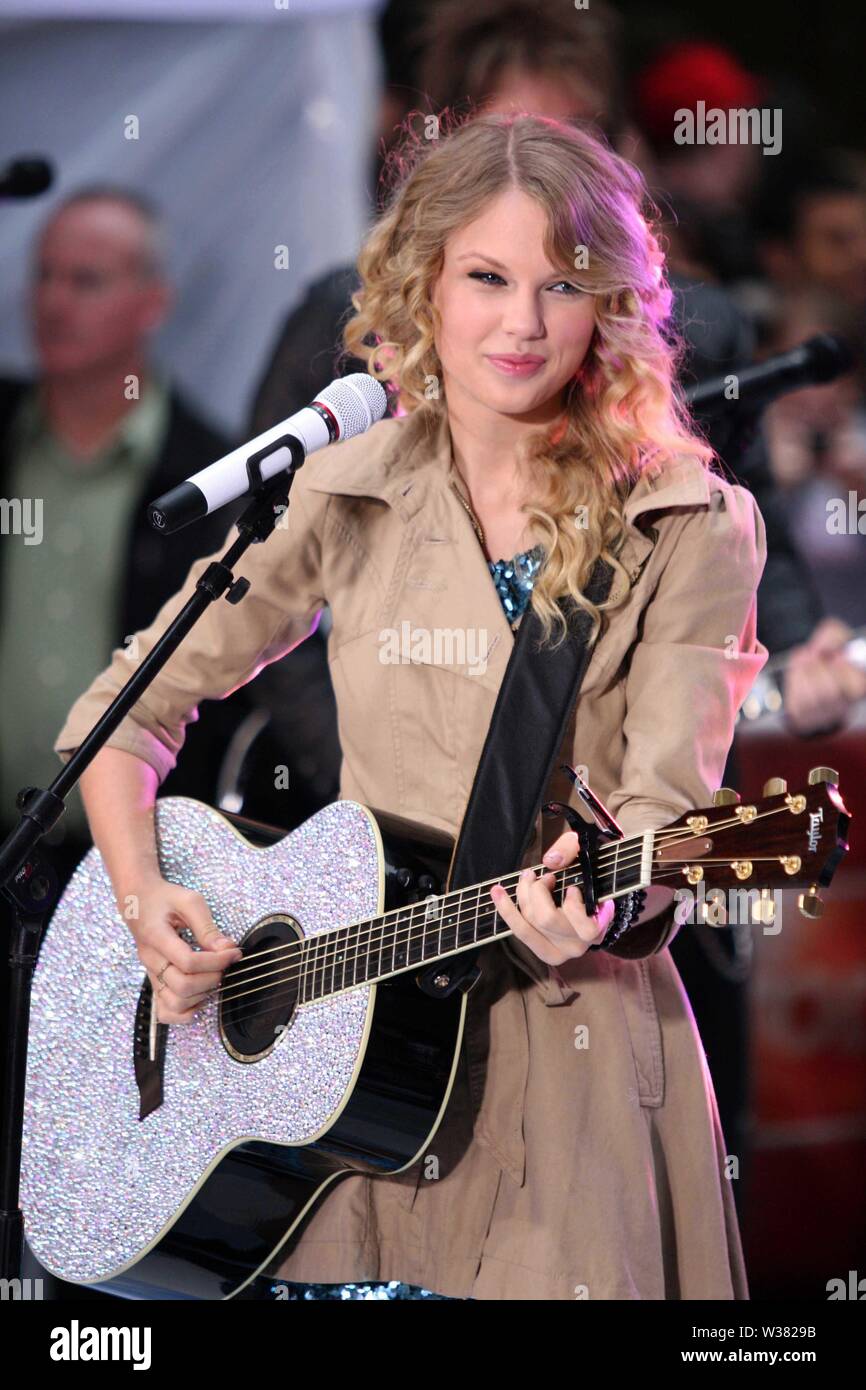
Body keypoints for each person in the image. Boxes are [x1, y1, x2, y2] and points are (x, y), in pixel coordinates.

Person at [54, 112, 765, 1300]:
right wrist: (145, 901)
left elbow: (663, 816)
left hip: (567, 1053)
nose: (522, 323)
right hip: (341, 1079)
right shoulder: (347, 482)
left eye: (562, 285)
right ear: (420, 282)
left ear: (612, 307)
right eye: (486, 278)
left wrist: (612, 892)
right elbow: (125, 709)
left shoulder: (684, 520)